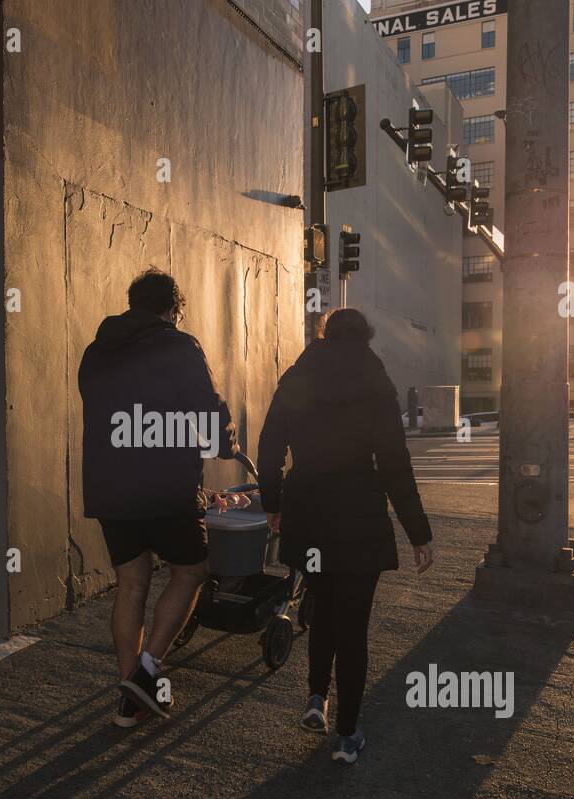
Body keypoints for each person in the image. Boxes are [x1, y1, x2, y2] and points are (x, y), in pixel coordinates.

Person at [257, 308, 434, 764]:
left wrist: (273, 502)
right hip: (358, 518)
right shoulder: (375, 383)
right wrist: (419, 533)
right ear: (366, 338)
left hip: (309, 513)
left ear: (324, 333)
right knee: (352, 625)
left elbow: (270, 444)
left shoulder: (298, 376)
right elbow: (395, 464)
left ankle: (317, 697)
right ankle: (348, 735)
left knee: (322, 605)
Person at [78, 269, 237, 728]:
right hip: (165, 485)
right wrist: (226, 444)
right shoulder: (180, 345)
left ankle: (130, 698)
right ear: (173, 309)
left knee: (132, 582)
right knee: (192, 570)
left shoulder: (96, 351)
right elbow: (208, 416)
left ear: (132, 304)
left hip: (110, 488)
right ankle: (146, 672)